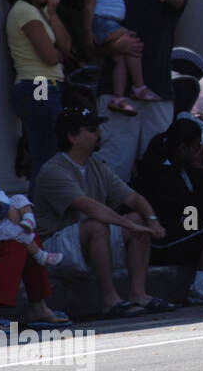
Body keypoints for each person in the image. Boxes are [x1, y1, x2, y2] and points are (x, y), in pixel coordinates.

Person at [33, 107, 176, 317]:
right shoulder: (54, 170)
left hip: (88, 239)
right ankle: (110, 300)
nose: (99, 134)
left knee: (138, 220)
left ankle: (139, 294)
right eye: (92, 129)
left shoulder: (96, 166)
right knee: (99, 225)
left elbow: (133, 198)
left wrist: (152, 220)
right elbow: (90, 207)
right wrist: (129, 225)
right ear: (72, 137)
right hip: (52, 248)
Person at [94, 0, 188, 183]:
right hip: (118, 97)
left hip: (158, 94)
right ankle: (106, 219)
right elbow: (91, 44)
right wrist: (115, 48)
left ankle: (153, 217)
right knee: (114, 168)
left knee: (159, 168)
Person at [131, 117, 203, 304]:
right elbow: (191, 208)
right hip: (165, 239)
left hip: (183, 225)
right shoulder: (161, 173)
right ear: (183, 148)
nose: (200, 151)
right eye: (197, 146)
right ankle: (200, 284)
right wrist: (199, 171)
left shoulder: (183, 166)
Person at [4, 0, 70, 193]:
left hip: (48, 84)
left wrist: (52, 13)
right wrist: (58, 53)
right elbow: (51, 56)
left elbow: (66, 46)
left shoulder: (42, 11)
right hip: (38, 84)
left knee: (49, 154)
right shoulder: (24, 11)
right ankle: (37, 218)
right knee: (45, 157)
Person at [83, 0, 155, 115]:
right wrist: (87, 31)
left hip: (112, 22)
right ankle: (139, 87)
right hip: (103, 22)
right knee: (131, 43)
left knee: (120, 59)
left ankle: (118, 98)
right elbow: (89, 7)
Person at [0, 182, 62, 267]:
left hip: (5, 208)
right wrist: (8, 209)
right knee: (21, 232)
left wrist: (9, 208)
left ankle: (29, 220)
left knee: (19, 198)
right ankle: (40, 256)